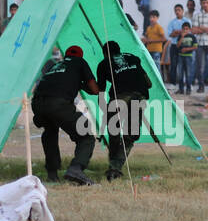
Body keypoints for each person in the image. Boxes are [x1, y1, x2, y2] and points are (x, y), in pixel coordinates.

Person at [32, 45, 98, 185]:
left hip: (37, 104)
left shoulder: (56, 66)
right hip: (57, 103)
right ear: (80, 55)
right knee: (85, 134)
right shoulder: (79, 62)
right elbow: (94, 88)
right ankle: (76, 168)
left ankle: (52, 173)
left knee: (50, 131)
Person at [96, 40, 153, 180]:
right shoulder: (133, 58)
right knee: (130, 135)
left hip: (119, 97)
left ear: (105, 54)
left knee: (113, 131)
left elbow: (101, 89)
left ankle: (113, 161)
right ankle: (115, 167)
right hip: (138, 96)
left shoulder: (103, 64)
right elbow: (149, 83)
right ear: (119, 50)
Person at [142, 9, 167, 75]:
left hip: (156, 50)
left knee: (157, 67)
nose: (152, 19)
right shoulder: (148, 28)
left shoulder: (159, 27)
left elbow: (164, 39)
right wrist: (144, 40)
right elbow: (147, 38)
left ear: (157, 18)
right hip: (149, 50)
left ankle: (159, 83)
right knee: (150, 67)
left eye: (154, 17)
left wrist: (151, 41)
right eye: (150, 17)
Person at [175, 22, 197, 95]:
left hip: (189, 56)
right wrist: (182, 37)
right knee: (180, 73)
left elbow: (195, 47)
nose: (185, 30)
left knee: (188, 73)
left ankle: (188, 89)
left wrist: (186, 49)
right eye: (184, 29)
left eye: (187, 29)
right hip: (180, 56)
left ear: (189, 29)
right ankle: (181, 89)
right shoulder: (180, 36)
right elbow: (177, 46)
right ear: (182, 29)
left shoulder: (192, 37)